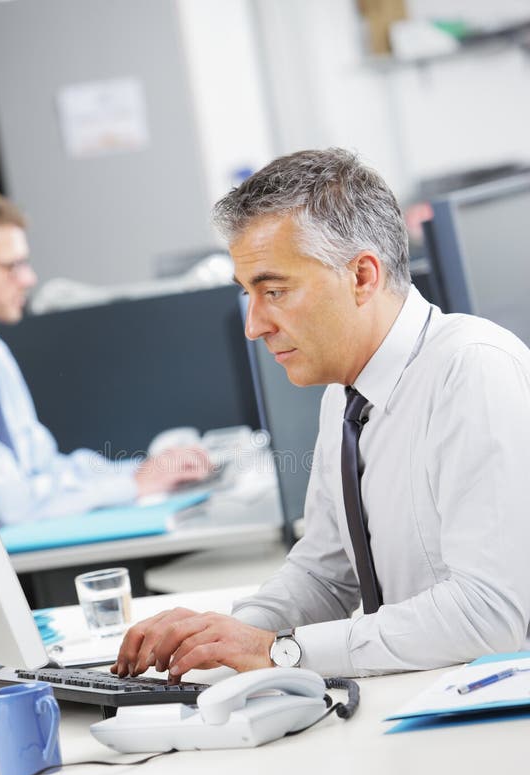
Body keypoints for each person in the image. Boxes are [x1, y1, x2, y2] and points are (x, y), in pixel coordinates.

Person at [113, 147, 530, 681]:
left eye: (275, 291)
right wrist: (224, 635)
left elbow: (486, 616)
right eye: (249, 294)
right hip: (419, 699)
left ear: (362, 276)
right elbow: (326, 574)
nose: (254, 325)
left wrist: (280, 651)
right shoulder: (347, 392)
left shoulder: (471, 370)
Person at [0, 188, 211, 525]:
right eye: (13, 266)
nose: (29, 278)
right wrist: (131, 485)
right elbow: (9, 506)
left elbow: (42, 465)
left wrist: (145, 468)